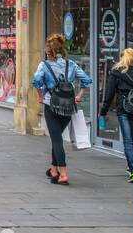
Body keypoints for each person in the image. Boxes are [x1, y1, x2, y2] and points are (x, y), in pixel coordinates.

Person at [32, 33, 91, 186]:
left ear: (48, 50)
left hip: (51, 105)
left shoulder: (44, 65)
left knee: (57, 139)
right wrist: (79, 95)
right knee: (56, 138)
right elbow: (86, 80)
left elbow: (36, 81)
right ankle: (53, 169)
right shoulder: (70, 64)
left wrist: (40, 96)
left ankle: (63, 174)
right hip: (69, 105)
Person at [99, 47, 133, 183]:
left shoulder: (116, 73)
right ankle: (132, 168)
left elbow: (109, 94)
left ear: (122, 58)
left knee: (128, 140)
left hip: (124, 110)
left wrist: (103, 111)